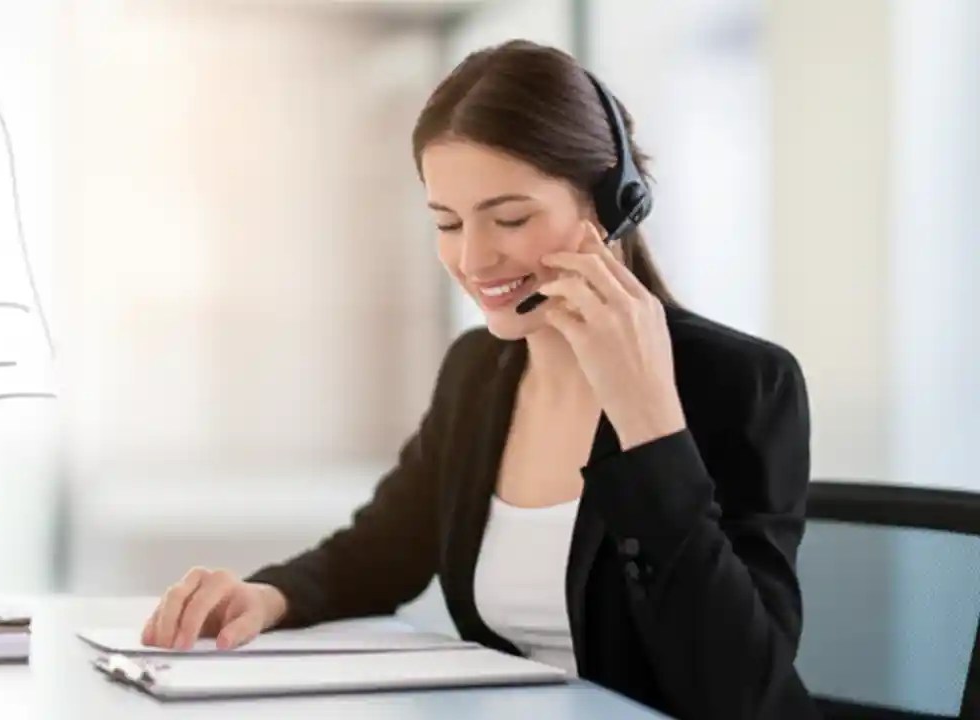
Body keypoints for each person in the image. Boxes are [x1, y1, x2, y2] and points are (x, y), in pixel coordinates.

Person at [140, 39, 819, 719]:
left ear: (614, 201)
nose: (473, 258)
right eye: (448, 222)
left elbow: (738, 688)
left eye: (510, 218)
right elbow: (382, 549)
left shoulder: (744, 384)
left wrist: (649, 423)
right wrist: (266, 598)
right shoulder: (479, 372)